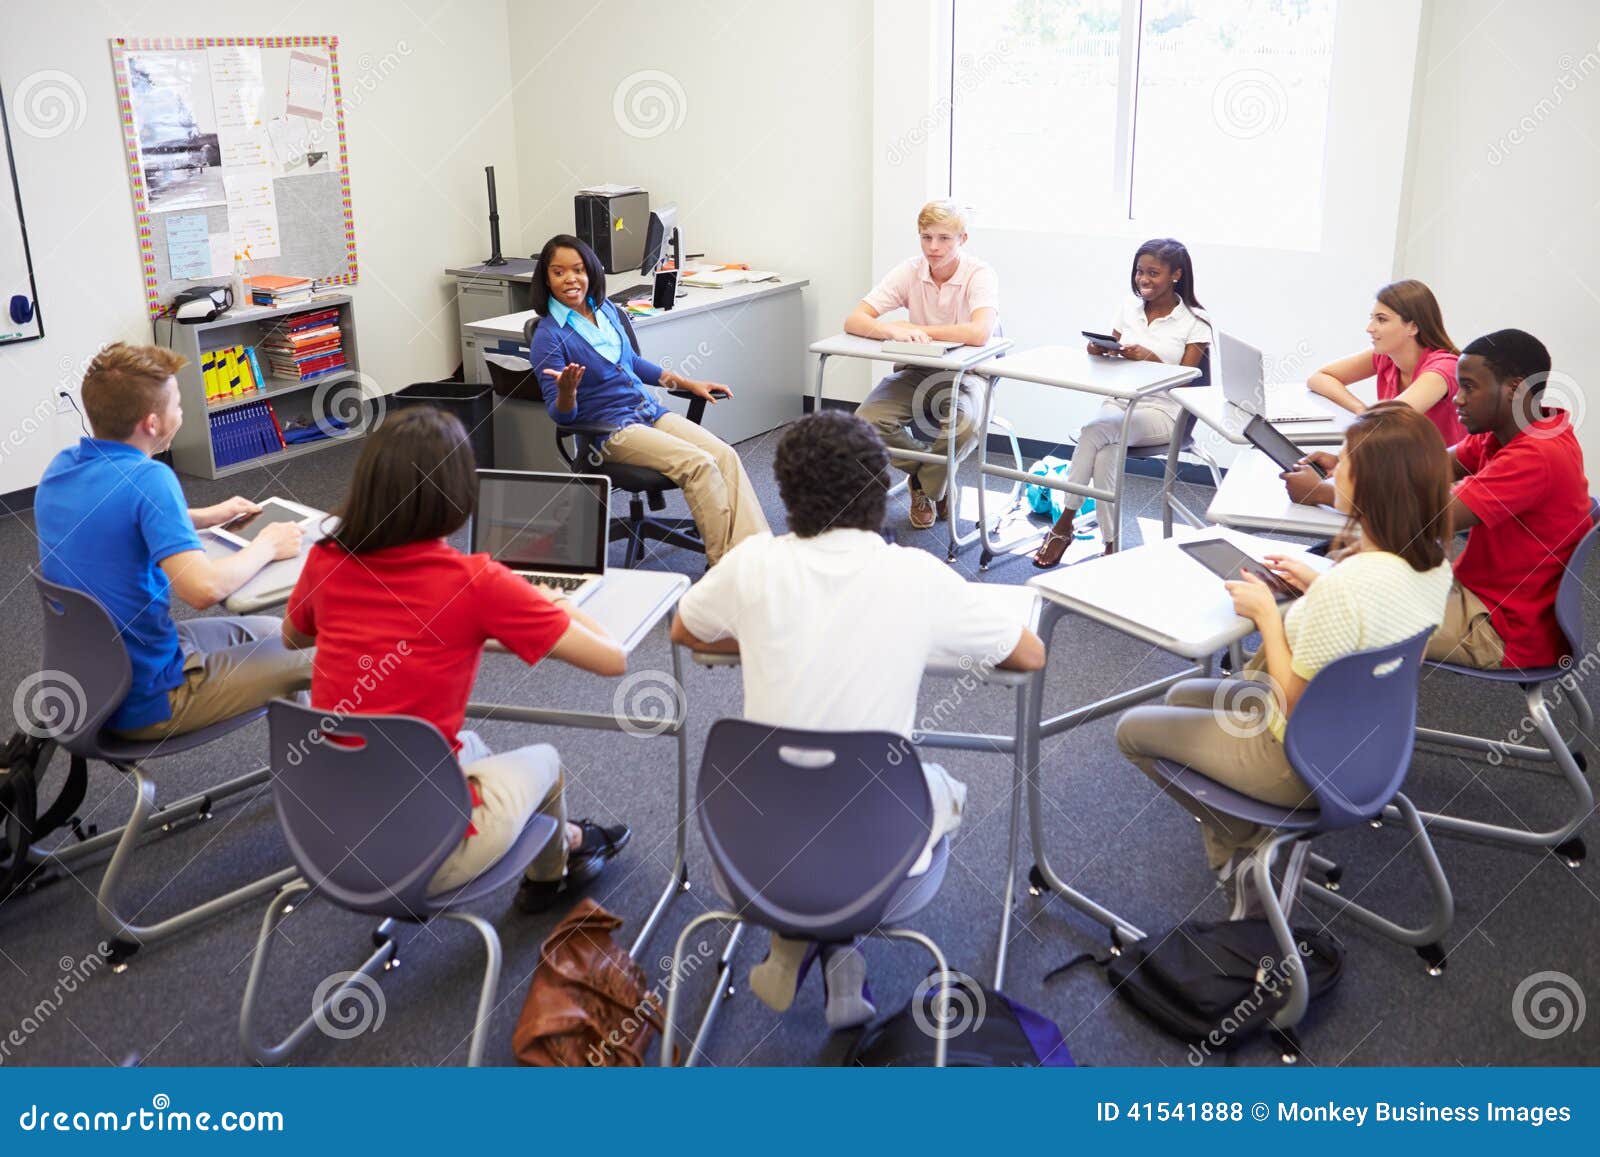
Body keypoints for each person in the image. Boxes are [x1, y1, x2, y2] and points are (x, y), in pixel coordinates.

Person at [670, 411, 1046, 1028]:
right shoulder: (915, 575)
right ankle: (839, 949)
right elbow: (1028, 654)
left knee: (825, 807)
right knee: (933, 790)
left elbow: (688, 630)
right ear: (882, 488)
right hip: (875, 858)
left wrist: (768, 637)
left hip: (751, 850)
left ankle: (804, 948)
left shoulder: (752, 562)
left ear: (787, 495)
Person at [283, 407, 632, 910]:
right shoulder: (475, 581)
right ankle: (551, 877)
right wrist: (560, 605)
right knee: (547, 762)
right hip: (425, 857)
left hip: (326, 838)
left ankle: (563, 838)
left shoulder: (327, 558)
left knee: (467, 742)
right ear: (459, 494)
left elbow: (293, 639)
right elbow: (613, 659)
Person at [1116, 403, 1454, 917]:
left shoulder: (1350, 584)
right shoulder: (1431, 566)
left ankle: (1243, 850)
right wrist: (1316, 585)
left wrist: (1267, 618)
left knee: (1133, 730)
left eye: (1344, 460)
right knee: (1181, 694)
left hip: (1300, 760)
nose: (1334, 469)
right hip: (1371, 744)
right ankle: (1249, 838)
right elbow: (1378, 622)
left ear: (1373, 484)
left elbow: (1293, 701)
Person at [33, 342, 311, 740]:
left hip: (92, 679)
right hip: (149, 699)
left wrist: (202, 516)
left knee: (275, 630)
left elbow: (113, 517)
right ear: (152, 423)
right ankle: (320, 773)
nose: (181, 415)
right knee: (318, 653)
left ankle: (296, 762)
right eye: (177, 407)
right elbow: (203, 590)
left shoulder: (62, 468)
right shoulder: (151, 479)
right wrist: (267, 543)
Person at [1285, 330, 1591, 670]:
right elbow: (1424, 469)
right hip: (1480, 594)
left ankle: (1283, 712)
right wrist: (1350, 467)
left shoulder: (1536, 456)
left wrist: (1326, 492)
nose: (1458, 399)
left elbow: (1421, 516)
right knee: (1327, 580)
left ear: (1514, 389)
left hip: (1499, 627)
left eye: (1470, 387)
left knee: (1322, 612)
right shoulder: (1512, 432)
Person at [526, 234, 768, 565]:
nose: (570, 279)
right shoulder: (548, 336)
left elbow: (634, 364)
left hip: (647, 412)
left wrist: (686, 382)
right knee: (699, 465)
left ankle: (757, 558)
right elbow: (562, 416)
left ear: (591, 272)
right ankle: (725, 569)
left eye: (578, 269)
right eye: (558, 272)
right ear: (546, 278)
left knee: (724, 456)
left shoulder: (605, 309)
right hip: (609, 432)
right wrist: (568, 392)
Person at [1033, 238, 1210, 567]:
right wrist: (1100, 351)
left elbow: (1190, 379)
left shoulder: (1195, 321)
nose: (1143, 279)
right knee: (1104, 455)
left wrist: (1149, 358)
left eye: (1153, 273)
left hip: (1165, 410)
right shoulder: (1128, 308)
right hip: (1120, 402)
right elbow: (1112, 354)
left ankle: (1063, 526)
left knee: (1092, 433)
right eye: (1140, 271)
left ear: (1176, 275)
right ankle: (1112, 546)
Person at [846, 199, 1000, 530]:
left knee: (966, 424)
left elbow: (979, 332)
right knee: (864, 425)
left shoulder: (980, 274)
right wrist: (890, 329)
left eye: (944, 238)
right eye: (926, 237)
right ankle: (934, 479)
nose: (934, 247)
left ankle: (926, 487)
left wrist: (916, 330)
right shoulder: (910, 270)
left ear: (963, 239)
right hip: (918, 371)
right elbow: (855, 320)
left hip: (968, 374)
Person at [1305, 279, 1464, 445]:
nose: (1370, 328)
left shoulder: (1444, 366)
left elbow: (1391, 420)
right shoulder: (1385, 356)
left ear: (1413, 327)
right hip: (1403, 464)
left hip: (1443, 470)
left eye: (1381, 320)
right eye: (1372, 318)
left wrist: (1368, 416)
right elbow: (1318, 378)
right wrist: (1361, 409)